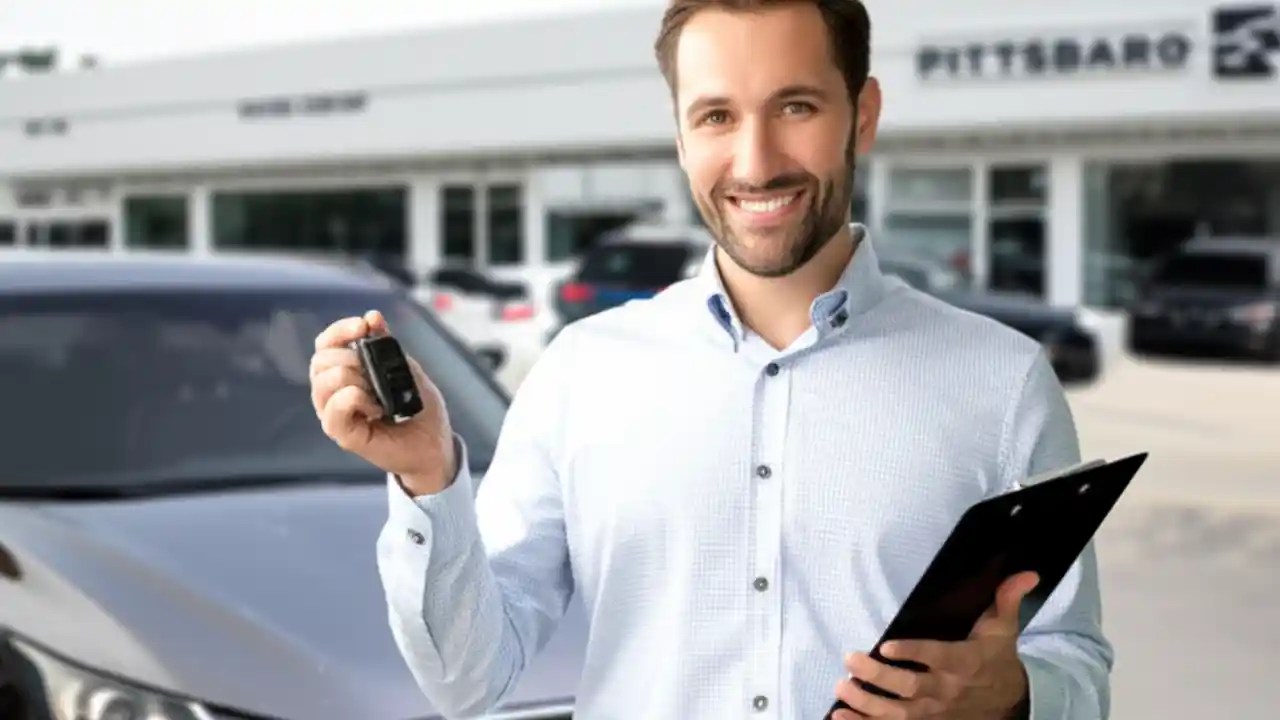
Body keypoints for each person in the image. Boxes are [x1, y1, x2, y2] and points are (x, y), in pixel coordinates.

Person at [308, 1, 1113, 718]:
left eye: (795, 106)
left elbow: (1073, 663)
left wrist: (1014, 696)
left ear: (861, 115)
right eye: (717, 116)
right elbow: (470, 680)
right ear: (682, 134)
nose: (757, 162)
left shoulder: (1001, 383)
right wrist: (426, 480)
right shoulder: (582, 374)